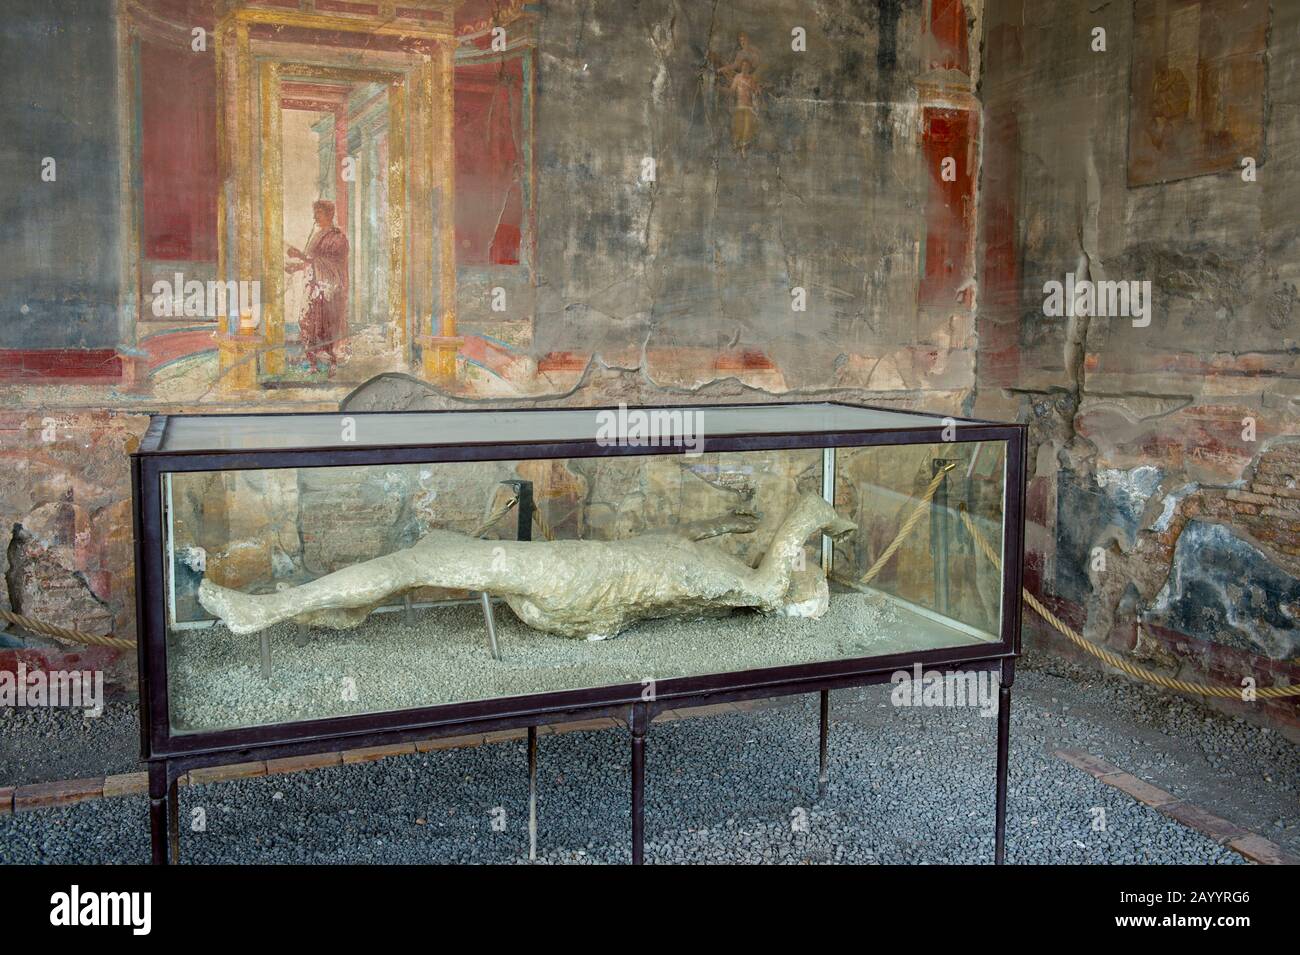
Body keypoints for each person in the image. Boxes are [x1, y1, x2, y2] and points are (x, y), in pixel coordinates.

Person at [285, 200, 349, 374]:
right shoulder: (317, 236)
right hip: (313, 287)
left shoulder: (338, 238)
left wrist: (300, 255)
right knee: (307, 321)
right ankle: (313, 364)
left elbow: (331, 264)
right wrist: (296, 267)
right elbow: (311, 262)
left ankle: (332, 363)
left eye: (318, 213)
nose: (315, 217)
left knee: (326, 325)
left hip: (329, 290)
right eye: (315, 213)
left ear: (329, 214)